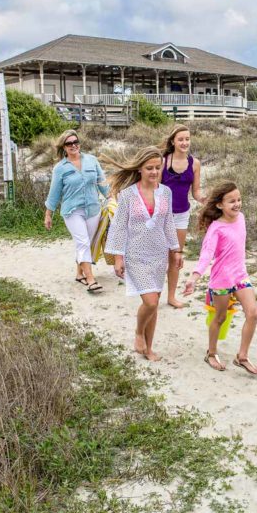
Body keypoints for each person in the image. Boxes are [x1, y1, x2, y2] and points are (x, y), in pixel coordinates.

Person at [104, 146, 181, 361]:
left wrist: (176, 251)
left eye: (158, 168)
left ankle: (148, 348)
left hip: (159, 255)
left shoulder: (166, 192)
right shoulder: (127, 195)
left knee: (154, 302)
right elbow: (118, 226)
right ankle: (139, 333)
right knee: (151, 302)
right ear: (140, 168)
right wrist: (118, 257)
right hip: (135, 255)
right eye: (149, 168)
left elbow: (168, 224)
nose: (154, 172)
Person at [183, 182, 257, 375]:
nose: (237, 204)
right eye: (231, 201)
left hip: (240, 276)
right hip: (222, 279)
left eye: (239, 200)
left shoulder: (241, 218)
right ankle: (211, 353)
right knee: (220, 317)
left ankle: (242, 357)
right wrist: (194, 276)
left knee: (253, 313)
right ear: (219, 205)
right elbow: (207, 254)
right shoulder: (216, 228)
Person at [44, 129, 108, 293]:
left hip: (93, 209)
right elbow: (54, 193)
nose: (73, 145)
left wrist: (112, 198)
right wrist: (48, 214)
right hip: (72, 211)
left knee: (87, 243)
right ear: (64, 147)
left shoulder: (92, 160)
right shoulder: (60, 168)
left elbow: (102, 183)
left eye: (75, 142)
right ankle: (91, 279)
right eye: (69, 143)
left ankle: (79, 274)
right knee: (83, 242)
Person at [159, 124, 205, 308]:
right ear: (173, 141)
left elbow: (196, 192)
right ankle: (152, 294)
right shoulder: (163, 161)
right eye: (181, 139)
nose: (185, 142)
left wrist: (205, 199)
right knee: (159, 257)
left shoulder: (195, 163)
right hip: (161, 215)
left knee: (175, 257)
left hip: (181, 216)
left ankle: (171, 297)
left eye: (187, 139)